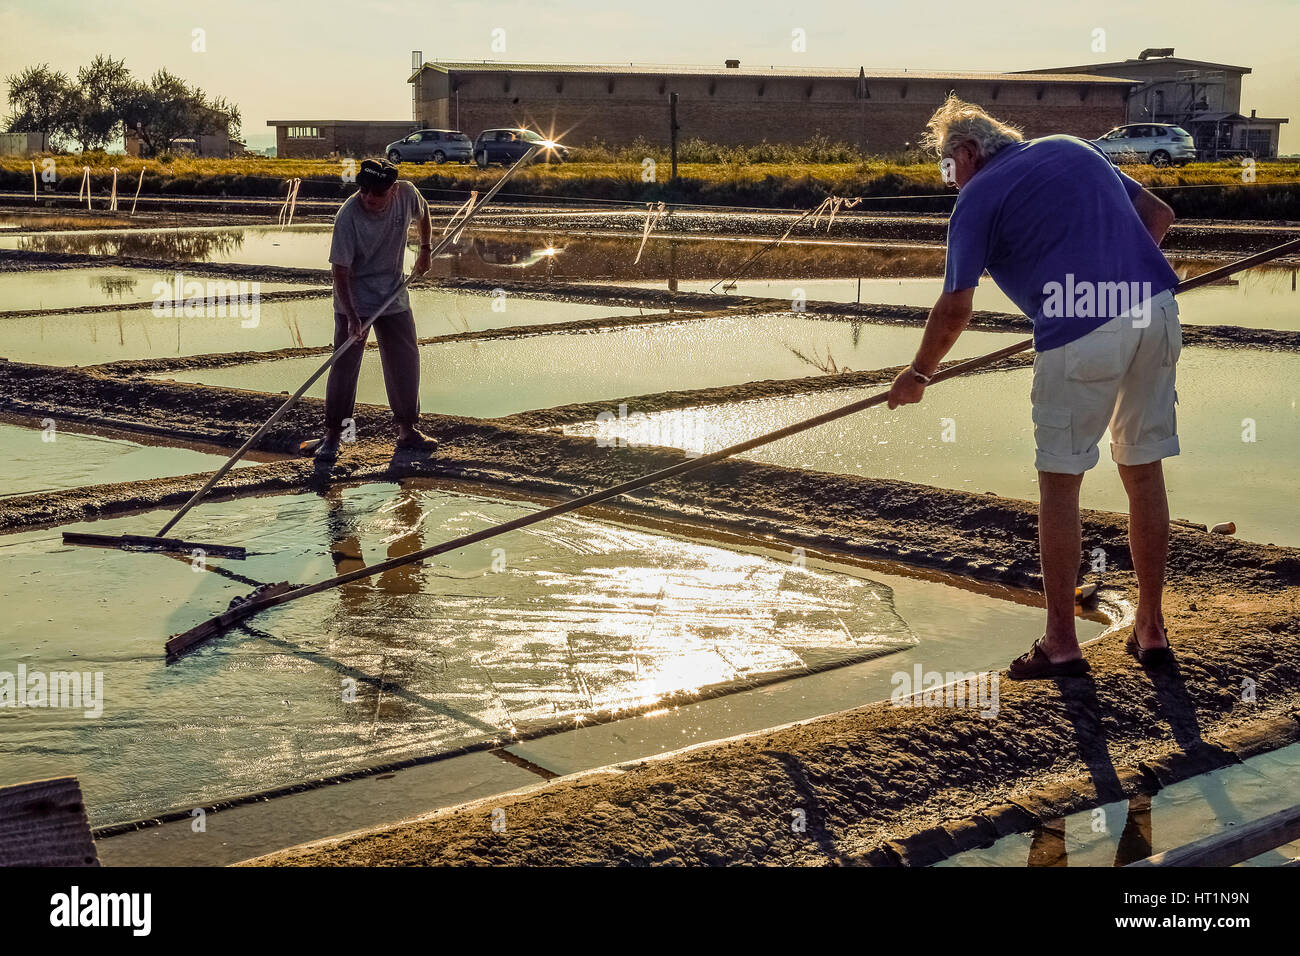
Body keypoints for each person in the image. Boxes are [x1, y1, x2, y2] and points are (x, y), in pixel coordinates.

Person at [888, 95, 1181, 679]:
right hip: (1156, 313)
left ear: (968, 153)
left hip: (1079, 337)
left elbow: (955, 307)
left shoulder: (976, 199)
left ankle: (1061, 642)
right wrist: (1117, 290)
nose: (950, 183)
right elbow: (1159, 215)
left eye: (948, 168)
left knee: (1060, 483)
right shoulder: (1073, 148)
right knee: (1143, 468)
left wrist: (918, 374)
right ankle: (1150, 628)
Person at [315, 158, 435, 459]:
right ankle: (333, 435)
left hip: (392, 291)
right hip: (354, 295)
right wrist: (353, 318)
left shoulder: (407, 194)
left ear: (392, 189)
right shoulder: (348, 217)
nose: (369, 197)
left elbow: (425, 213)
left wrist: (425, 250)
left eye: (377, 193)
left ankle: (407, 430)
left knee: (404, 360)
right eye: (364, 190)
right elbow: (340, 272)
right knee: (344, 366)